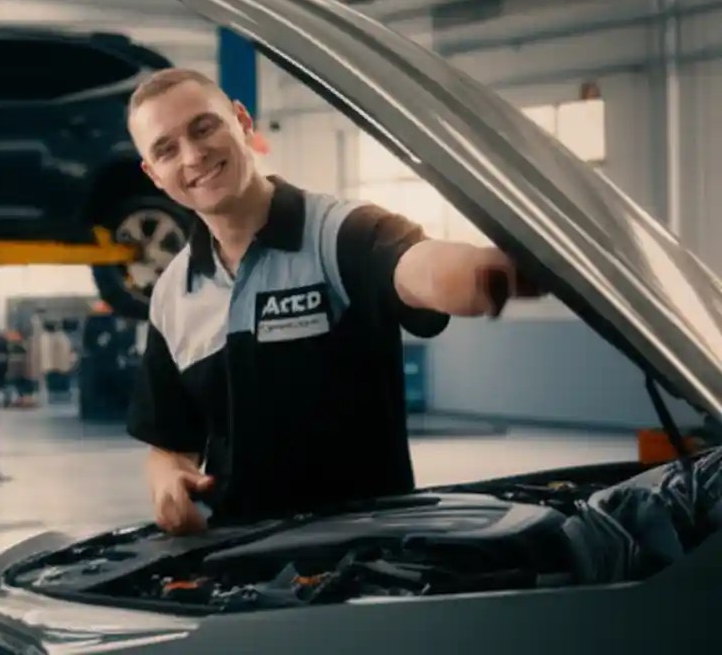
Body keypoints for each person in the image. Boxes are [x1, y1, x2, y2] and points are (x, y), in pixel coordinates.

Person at [124, 68, 542, 536]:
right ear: (152, 173)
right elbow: (168, 442)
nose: (193, 155)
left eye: (204, 128)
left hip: (364, 556)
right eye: (166, 149)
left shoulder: (337, 233)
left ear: (242, 121)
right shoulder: (173, 293)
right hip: (238, 558)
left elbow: (418, 266)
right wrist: (166, 480)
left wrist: (486, 272)